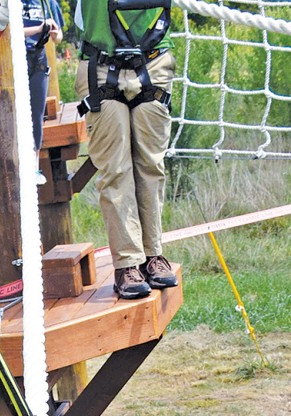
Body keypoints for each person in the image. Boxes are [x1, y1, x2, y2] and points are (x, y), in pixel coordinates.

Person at [73, 0, 179, 300]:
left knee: (151, 165)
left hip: (153, 59)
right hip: (102, 63)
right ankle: (127, 263)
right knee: (115, 168)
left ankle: (152, 255)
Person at [23, 0, 64, 183]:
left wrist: (54, 32)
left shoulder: (47, 2)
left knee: (36, 115)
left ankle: (35, 167)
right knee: (17, 114)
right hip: (14, 59)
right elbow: (7, 33)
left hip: (38, 59)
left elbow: (58, 37)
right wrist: (40, 28)